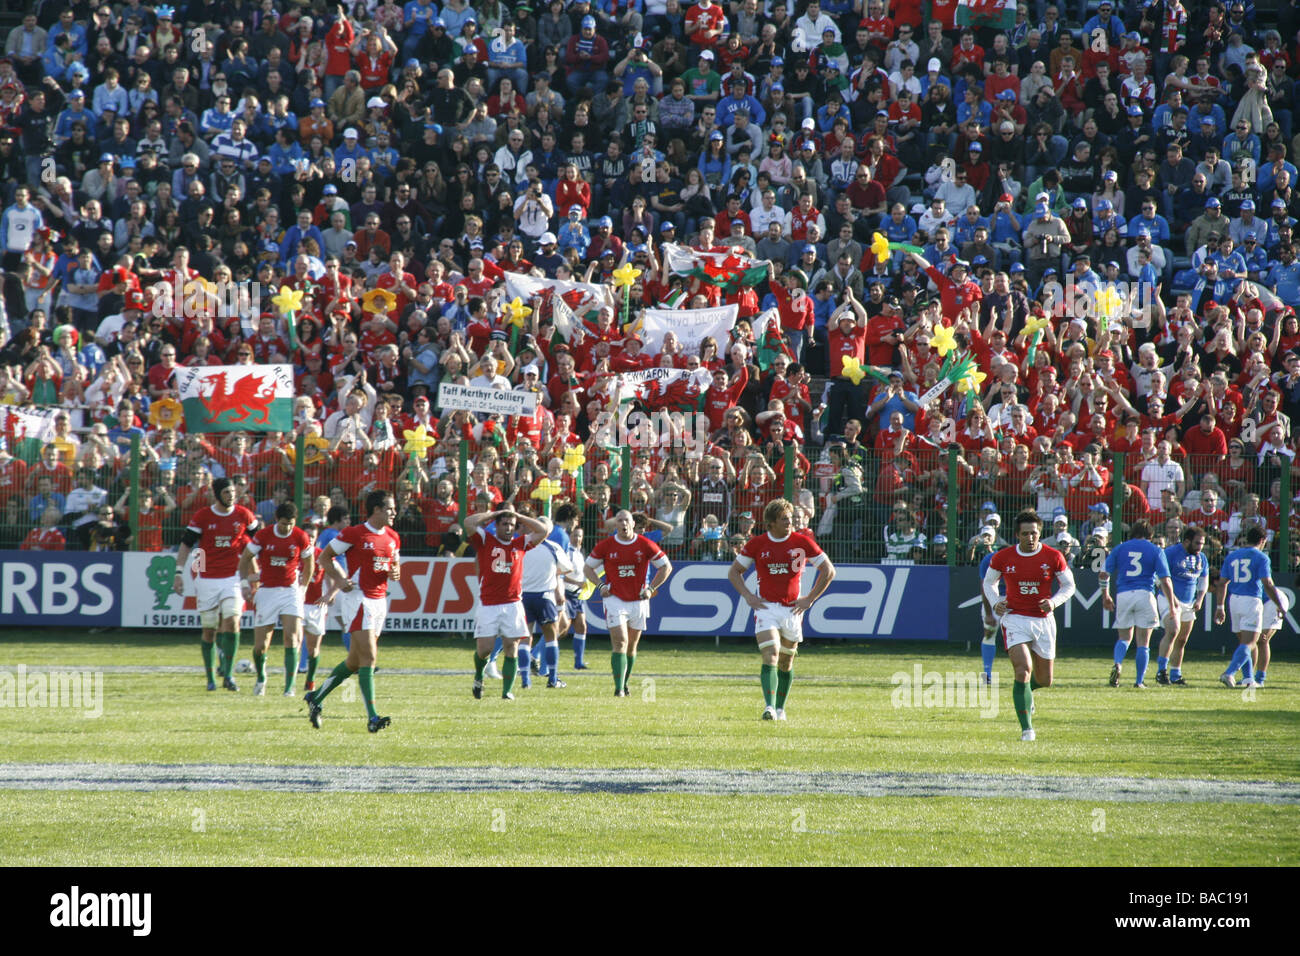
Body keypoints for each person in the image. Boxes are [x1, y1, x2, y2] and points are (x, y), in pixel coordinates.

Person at [727, 498, 836, 720]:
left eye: (790, 517)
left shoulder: (803, 542)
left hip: (793, 610)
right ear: (771, 523)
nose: (790, 521)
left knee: (786, 662)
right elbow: (734, 572)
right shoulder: (757, 544)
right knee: (771, 655)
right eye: (784, 519)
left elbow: (828, 571)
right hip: (766, 608)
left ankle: (780, 709)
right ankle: (769, 707)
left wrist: (810, 599)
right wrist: (748, 596)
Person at [304, 490, 402, 732]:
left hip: (380, 601)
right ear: (376, 510)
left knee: (355, 661)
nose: (394, 512)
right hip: (358, 599)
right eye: (389, 508)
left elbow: (394, 564)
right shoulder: (355, 533)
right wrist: (341, 578)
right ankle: (372, 717)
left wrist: (395, 572)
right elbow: (325, 558)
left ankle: (315, 699)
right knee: (369, 657)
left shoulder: (393, 537)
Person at [982, 509, 1076, 741]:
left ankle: (1026, 694)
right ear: (1017, 535)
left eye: (1034, 533)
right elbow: (988, 583)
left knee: (1045, 680)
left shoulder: (1053, 556)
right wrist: (996, 603)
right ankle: (1027, 730)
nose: (1030, 538)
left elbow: (1069, 586)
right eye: (1025, 534)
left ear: (1040, 533)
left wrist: (1053, 603)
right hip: (1015, 618)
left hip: (1044, 621)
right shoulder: (1002, 557)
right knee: (1023, 670)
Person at [172, 476, 260, 692]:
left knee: (232, 622)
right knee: (209, 630)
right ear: (217, 494)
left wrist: (256, 573)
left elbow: (258, 543)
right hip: (207, 578)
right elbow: (186, 545)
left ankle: (228, 676)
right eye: (226, 492)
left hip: (233, 577)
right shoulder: (203, 516)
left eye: (233, 492)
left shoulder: (244, 514)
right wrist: (178, 573)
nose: (231, 496)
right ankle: (211, 678)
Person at [464, 505, 554, 700]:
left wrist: (519, 516)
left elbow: (543, 530)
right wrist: (495, 513)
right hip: (488, 603)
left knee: (511, 648)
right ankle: (479, 675)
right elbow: (468, 522)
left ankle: (507, 691)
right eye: (504, 524)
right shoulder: (485, 540)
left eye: (512, 525)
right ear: (496, 525)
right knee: (485, 649)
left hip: (513, 603)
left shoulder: (521, 543)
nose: (508, 528)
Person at [585, 509, 673, 697]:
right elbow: (587, 568)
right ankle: (618, 689)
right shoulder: (606, 545)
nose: (623, 524)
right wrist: (600, 586)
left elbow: (666, 567)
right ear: (615, 525)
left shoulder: (645, 544)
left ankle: (625, 684)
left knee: (632, 646)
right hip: (614, 599)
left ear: (633, 524)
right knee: (621, 642)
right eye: (620, 520)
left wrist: (650, 588)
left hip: (639, 599)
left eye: (627, 520)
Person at [240, 502, 314, 697]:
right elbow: (245, 557)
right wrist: (244, 584)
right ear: (276, 519)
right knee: (261, 645)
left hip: (290, 591)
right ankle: (261, 678)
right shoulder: (263, 536)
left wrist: (303, 589)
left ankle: (289, 687)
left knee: (292, 638)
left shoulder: (300, 536)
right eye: (283, 524)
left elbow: (309, 562)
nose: (287, 528)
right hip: (267, 592)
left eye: (290, 524)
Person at [1100, 520, 1178, 689]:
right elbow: (1165, 580)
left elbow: (1103, 574)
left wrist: (1105, 595)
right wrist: (1172, 605)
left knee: (1124, 637)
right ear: (1150, 535)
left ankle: (1118, 664)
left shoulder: (1120, 548)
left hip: (1123, 594)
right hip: (1145, 594)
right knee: (1143, 642)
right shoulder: (1156, 550)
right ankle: (1139, 681)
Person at [1212, 526, 1285, 689]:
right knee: (1251, 642)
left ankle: (1248, 678)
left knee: (1243, 642)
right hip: (1251, 600)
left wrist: (1219, 606)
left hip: (1234, 600)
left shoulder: (1232, 556)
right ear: (1262, 541)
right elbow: (1268, 583)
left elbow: (1223, 583)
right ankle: (1229, 672)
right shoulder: (1261, 557)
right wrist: (1279, 604)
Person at [518, 515, 574, 689]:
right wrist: (551, 570)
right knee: (551, 639)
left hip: (524, 597)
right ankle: (553, 678)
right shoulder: (553, 547)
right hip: (545, 597)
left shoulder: (522, 546)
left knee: (525, 640)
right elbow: (568, 569)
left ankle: (525, 680)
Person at [1154, 526, 1208, 686]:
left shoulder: (1201, 557)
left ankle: (1176, 674)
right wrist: (1173, 600)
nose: (1200, 547)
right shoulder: (1170, 553)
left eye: (1202, 544)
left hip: (1189, 602)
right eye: (1197, 543)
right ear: (1186, 541)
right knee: (1172, 631)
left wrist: (1200, 599)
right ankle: (1161, 672)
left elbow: (1204, 580)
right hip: (1168, 598)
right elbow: (1160, 579)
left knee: (1182, 639)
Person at [977, 546, 1003, 685]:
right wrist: (989, 614)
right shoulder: (988, 560)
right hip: (994, 598)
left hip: (1015, 599)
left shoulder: (1020, 559)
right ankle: (986, 676)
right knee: (989, 634)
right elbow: (984, 587)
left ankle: (1026, 675)